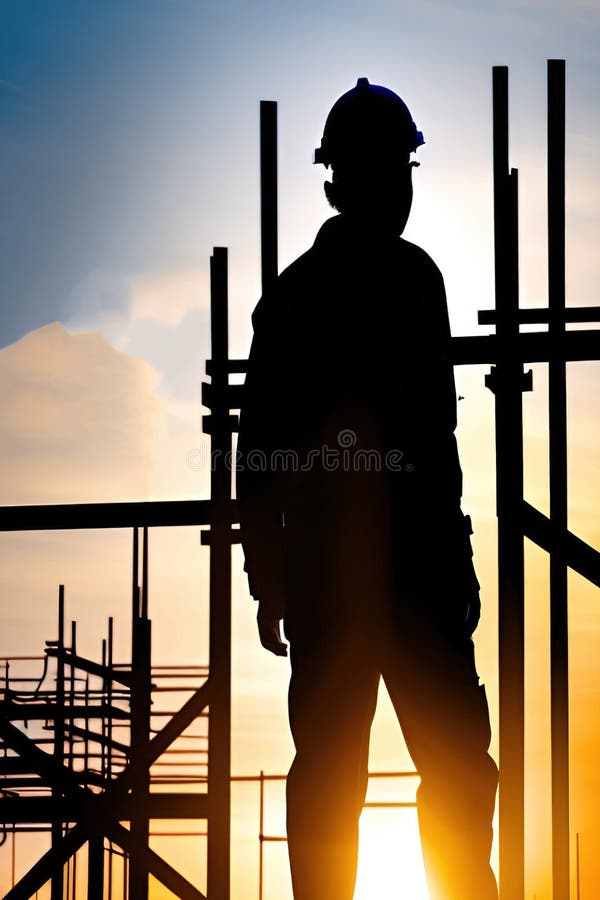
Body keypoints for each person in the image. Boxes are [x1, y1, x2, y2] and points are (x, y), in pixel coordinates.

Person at [237, 77, 498, 900]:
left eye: (404, 172)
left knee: (437, 769)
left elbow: (435, 442)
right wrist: (267, 576)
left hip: (396, 573)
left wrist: (455, 566)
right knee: (346, 780)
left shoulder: (396, 283)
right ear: (342, 184)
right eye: (386, 172)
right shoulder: (310, 298)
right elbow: (264, 450)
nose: (400, 189)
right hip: (356, 578)